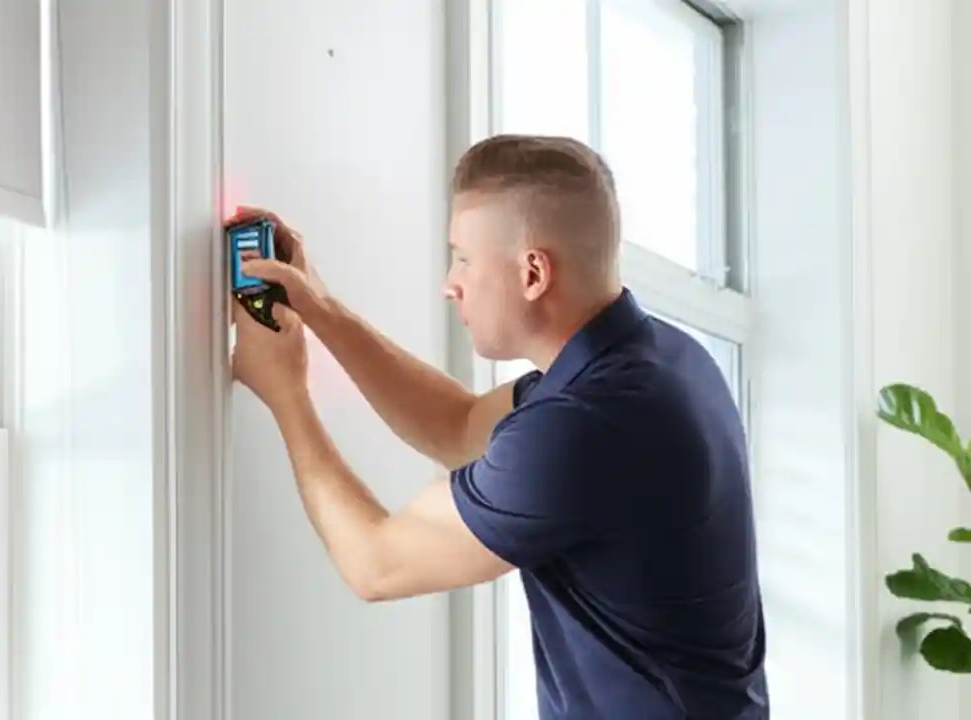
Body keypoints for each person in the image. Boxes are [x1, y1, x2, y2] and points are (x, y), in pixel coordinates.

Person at [228, 134, 768, 719]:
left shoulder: (586, 426)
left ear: (532, 272)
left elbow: (375, 563)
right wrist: (320, 308)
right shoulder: (656, 362)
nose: (449, 282)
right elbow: (458, 425)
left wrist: (286, 394)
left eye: (462, 256)